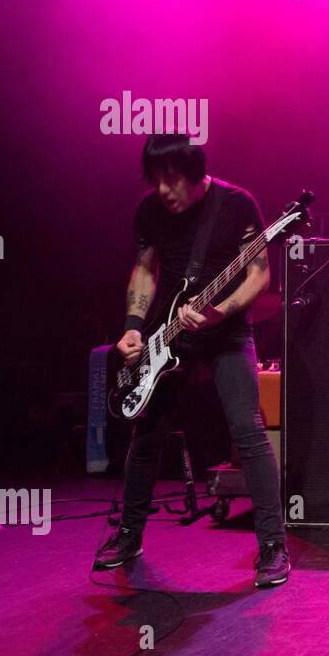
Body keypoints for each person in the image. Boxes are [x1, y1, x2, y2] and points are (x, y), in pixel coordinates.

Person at [94, 133, 290, 588]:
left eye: (171, 180)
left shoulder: (237, 204)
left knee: (248, 430)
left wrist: (221, 311)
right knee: (147, 437)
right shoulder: (150, 211)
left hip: (225, 332)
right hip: (169, 336)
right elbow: (145, 268)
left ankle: (273, 546)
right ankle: (128, 536)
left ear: (195, 175)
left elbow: (258, 273)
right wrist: (131, 326)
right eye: (155, 180)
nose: (163, 190)